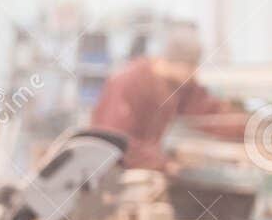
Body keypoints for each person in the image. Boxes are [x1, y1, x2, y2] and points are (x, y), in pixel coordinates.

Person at [90, 25, 223, 171]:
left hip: (147, 166)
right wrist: (163, 163)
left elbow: (207, 111)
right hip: (114, 170)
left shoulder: (179, 84)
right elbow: (112, 139)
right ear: (172, 61)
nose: (194, 74)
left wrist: (248, 127)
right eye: (190, 66)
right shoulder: (130, 81)